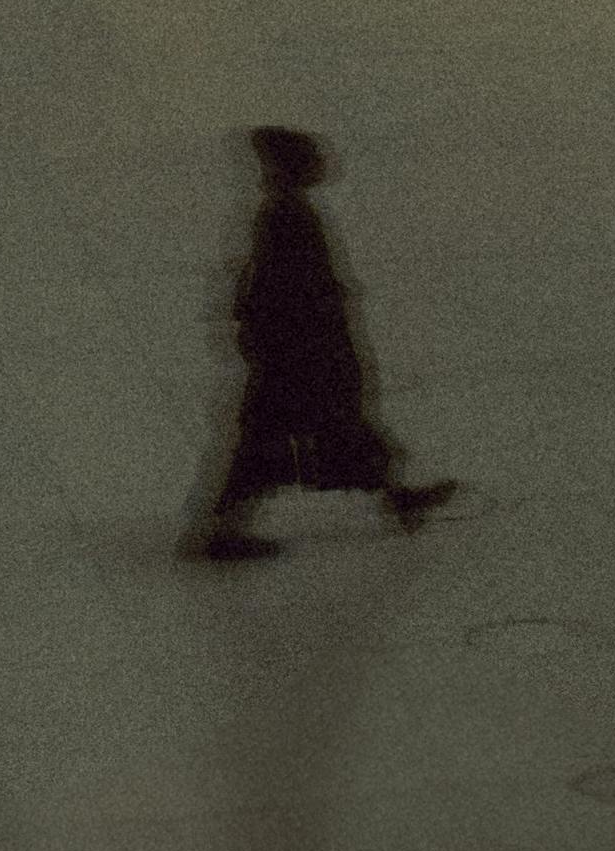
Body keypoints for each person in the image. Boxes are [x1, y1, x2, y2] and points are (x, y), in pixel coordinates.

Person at [190, 125, 453, 562]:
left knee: (338, 428)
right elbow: (293, 292)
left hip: (296, 351)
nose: (324, 164)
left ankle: (393, 496)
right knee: (277, 439)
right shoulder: (290, 216)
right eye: (315, 158)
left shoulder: (284, 210)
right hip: (298, 354)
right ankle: (222, 533)